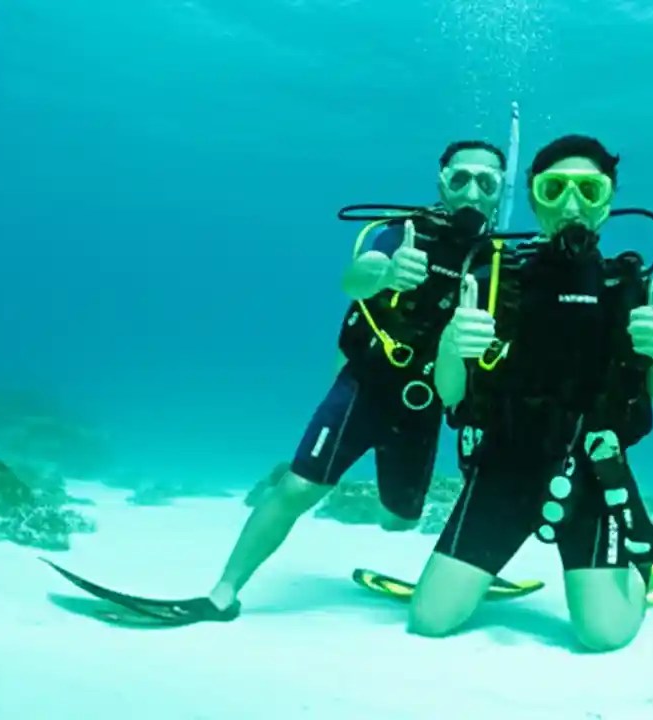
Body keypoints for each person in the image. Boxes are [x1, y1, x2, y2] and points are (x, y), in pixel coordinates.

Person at [136, 140, 508, 623]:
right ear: (442, 181)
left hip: (424, 406)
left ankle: (458, 565)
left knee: (401, 520)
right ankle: (222, 593)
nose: (472, 192)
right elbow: (355, 280)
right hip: (365, 388)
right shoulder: (403, 233)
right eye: (460, 178)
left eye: (486, 182)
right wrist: (385, 275)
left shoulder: (500, 263)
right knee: (298, 489)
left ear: (501, 190)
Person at [409, 135, 653, 651]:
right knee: (429, 619)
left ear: (608, 200)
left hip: (593, 470)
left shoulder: (627, 287)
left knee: (603, 634)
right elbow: (451, 395)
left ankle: (637, 566)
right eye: (554, 189)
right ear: (535, 198)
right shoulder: (496, 278)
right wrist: (450, 346)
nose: (571, 204)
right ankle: (476, 573)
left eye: (589, 189)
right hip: (504, 466)